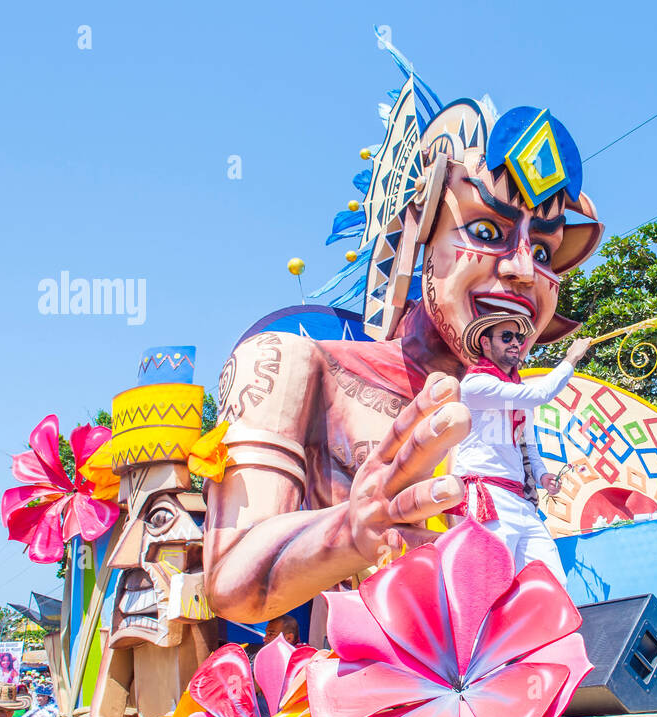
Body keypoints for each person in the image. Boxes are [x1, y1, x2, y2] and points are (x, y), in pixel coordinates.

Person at [204, 93, 603, 628]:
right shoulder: (294, 363)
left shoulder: (516, 411)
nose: (523, 271)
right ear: (417, 235)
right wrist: (351, 532)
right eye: (486, 231)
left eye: (545, 252)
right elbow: (231, 581)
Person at [452, 319, 593, 582]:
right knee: (491, 584)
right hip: (487, 496)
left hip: (518, 500)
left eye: (519, 337)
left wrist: (541, 476)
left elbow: (528, 444)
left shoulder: (515, 391)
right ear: (485, 342)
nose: (516, 342)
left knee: (551, 582)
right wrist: (571, 359)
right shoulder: (476, 384)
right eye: (506, 336)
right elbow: (540, 394)